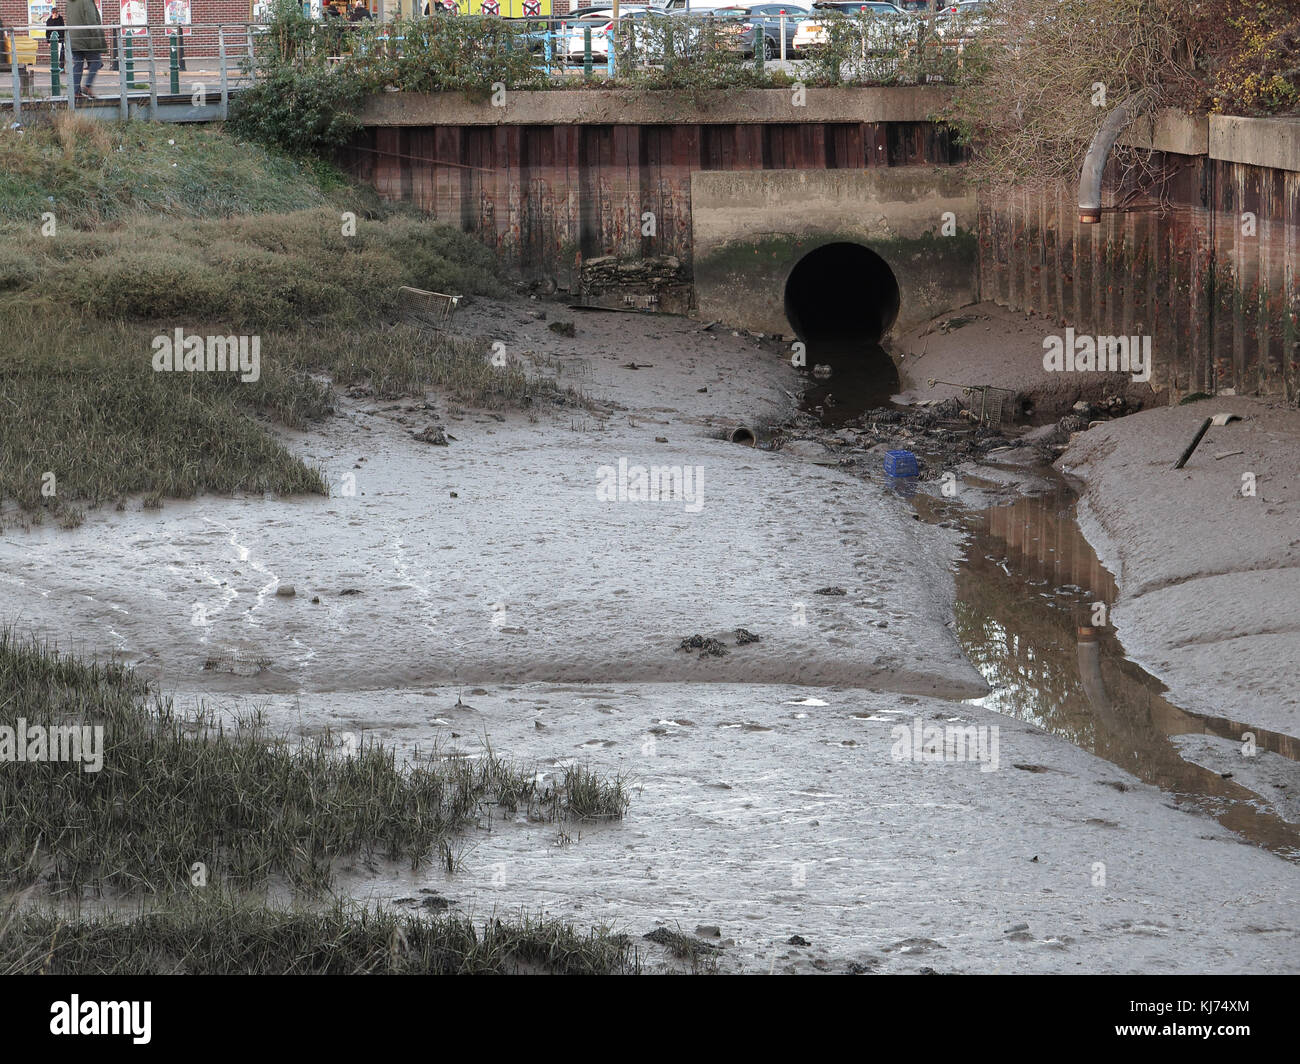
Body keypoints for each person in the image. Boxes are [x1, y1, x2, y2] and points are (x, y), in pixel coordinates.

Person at [65, 0, 105, 101]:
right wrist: (97, 36)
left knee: (78, 64)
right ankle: (87, 86)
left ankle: (75, 92)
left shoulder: (69, 2)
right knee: (97, 61)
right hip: (87, 38)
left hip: (73, 37)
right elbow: (91, 20)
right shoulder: (86, 1)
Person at [45, 5, 66, 75]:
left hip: (60, 39)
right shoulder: (49, 21)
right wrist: (48, 41)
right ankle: (55, 67)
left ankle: (62, 67)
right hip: (53, 40)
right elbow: (47, 31)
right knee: (55, 54)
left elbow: (62, 29)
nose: (56, 15)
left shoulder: (60, 19)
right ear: (52, 13)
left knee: (61, 54)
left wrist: (63, 39)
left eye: (56, 13)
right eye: (54, 13)